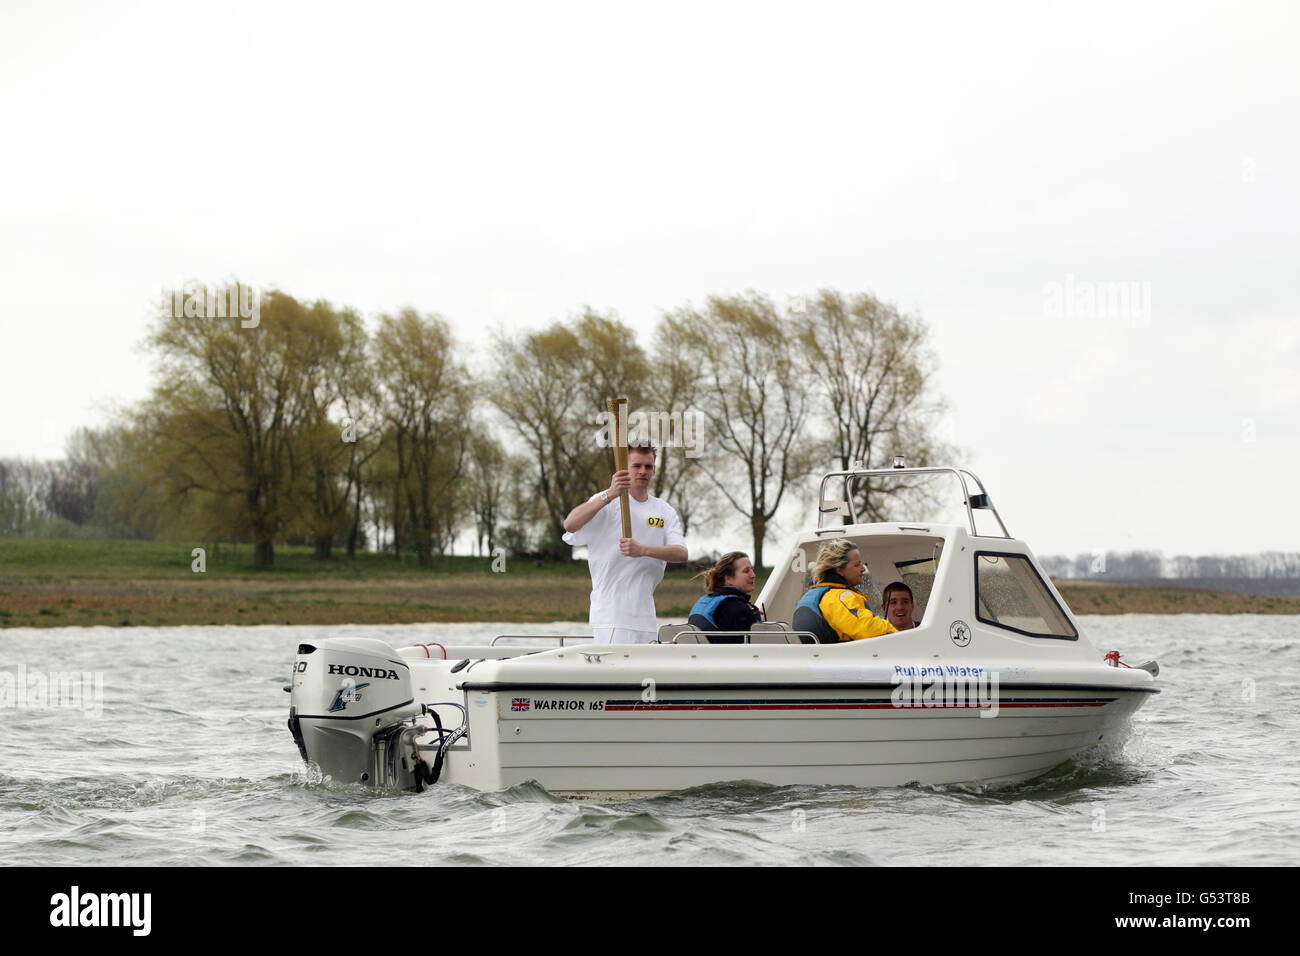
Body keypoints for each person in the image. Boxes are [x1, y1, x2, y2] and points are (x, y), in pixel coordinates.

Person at [562, 443, 688, 644]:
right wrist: (610, 494)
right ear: (625, 468)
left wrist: (643, 550)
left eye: (648, 466)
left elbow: (681, 553)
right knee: (614, 675)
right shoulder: (608, 502)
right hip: (612, 617)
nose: (642, 471)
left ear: (654, 469)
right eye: (636, 466)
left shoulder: (664, 510)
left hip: (646, 618)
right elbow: (570, 524)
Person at [792, 538, 898, 643]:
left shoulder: (815, 594)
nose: (863, 569)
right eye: (857, 565)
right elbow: (867, 628)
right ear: (839, 570)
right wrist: (898, 634)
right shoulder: (841, 597)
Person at [688, 551, 763, 642]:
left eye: (752, 569)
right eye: (746, 571)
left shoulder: (703, 601)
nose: (753, 575)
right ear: (728, 578)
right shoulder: (738, 609)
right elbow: (753, 650)